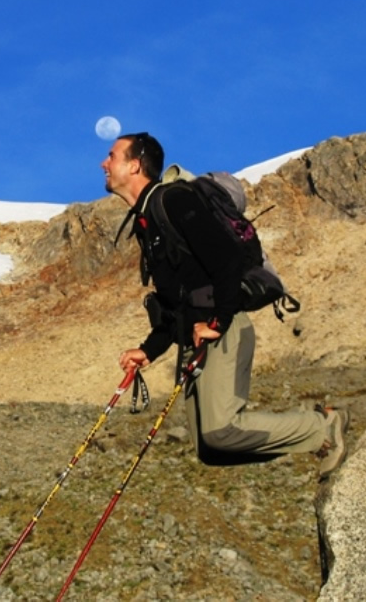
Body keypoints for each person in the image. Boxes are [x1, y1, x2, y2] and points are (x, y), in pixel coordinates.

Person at [101, 132, 349, 478]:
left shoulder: (174, 201)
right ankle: (316, 435)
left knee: (221, 430)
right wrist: (149, 350)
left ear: (135, 164)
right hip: (197, 337)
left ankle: (322, 427)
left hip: (221, 330)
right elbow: (178, 303)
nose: (104, 163)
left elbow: (227, 259)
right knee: (209, 448)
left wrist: (218, 321)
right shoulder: (148, 222)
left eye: (111, 156)